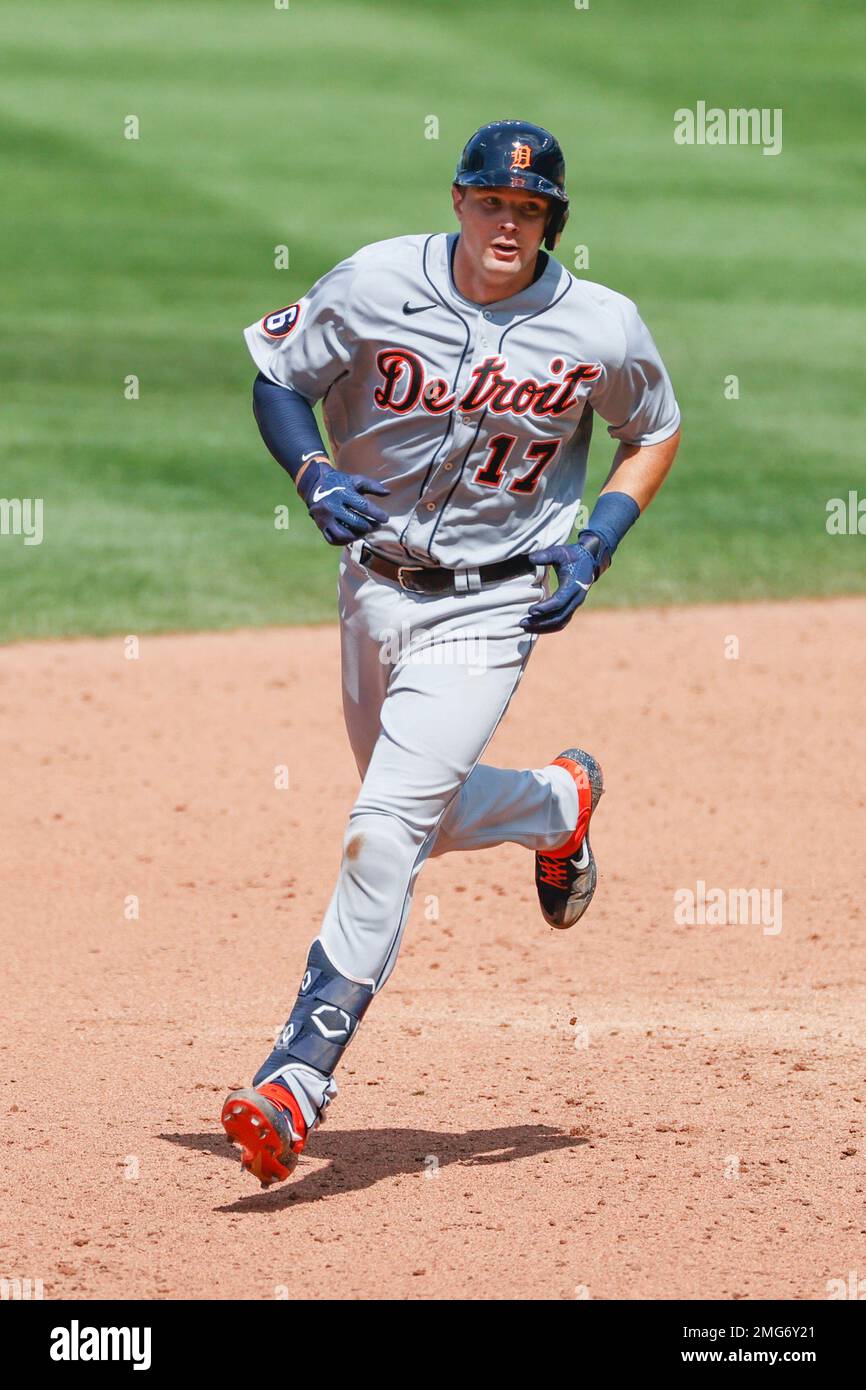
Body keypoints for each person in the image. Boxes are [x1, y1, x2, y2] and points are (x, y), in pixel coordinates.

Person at [222, 119, 681, 1186]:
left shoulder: (599, 327)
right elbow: (276, 374)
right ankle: (556, 806)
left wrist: (596, 540)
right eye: (490, 202)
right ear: (458, 199)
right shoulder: (375, 282)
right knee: (413, 815)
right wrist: (309, 475)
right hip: (370, 593)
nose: (507, 223)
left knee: (382, 829)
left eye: (529, 210)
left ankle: (296, 1076)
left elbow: (650, 428)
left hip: (493, 609)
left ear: (552, 219)